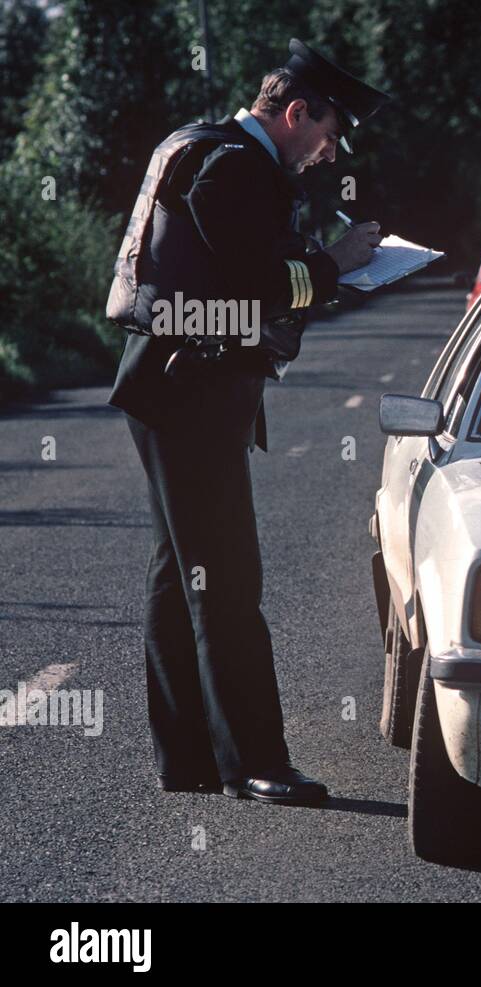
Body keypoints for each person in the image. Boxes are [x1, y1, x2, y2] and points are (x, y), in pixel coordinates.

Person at [104, 40, 390, 806]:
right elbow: (256, 285)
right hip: (190, 391)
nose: (326, 156)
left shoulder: (207, 146)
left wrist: (319, 268)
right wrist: (336, 263)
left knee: (180, 575)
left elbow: (232, 277)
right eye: (327, 137)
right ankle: (254, 762)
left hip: (172, 386)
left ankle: (190, 758)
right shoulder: (235, 165)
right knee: (226, 578)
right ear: (297, 113)